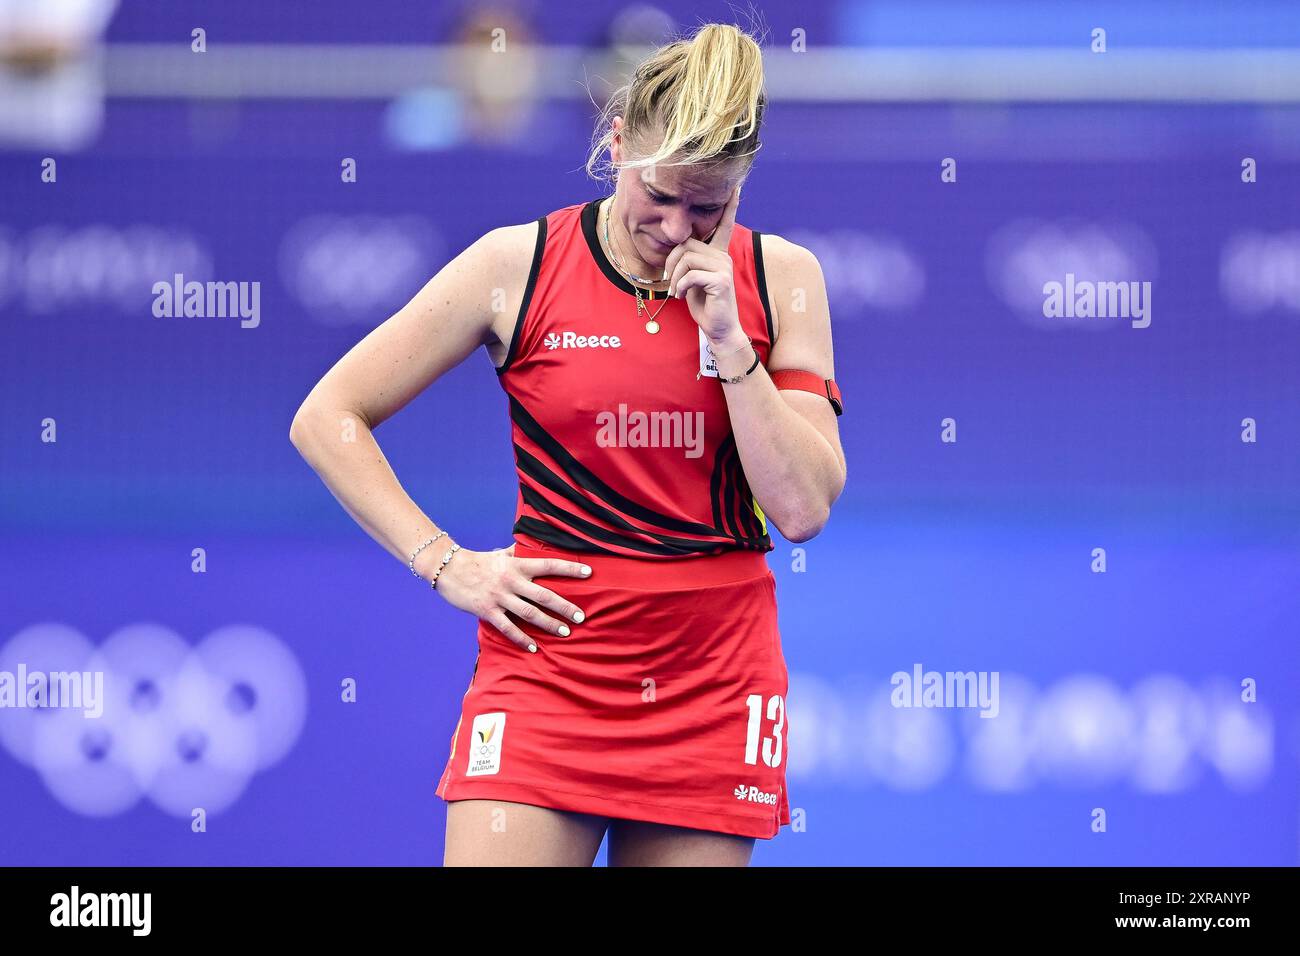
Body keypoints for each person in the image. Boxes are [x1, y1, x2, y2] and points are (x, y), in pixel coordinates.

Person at [290, 22, 846, 866]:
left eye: (709, 205)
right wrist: (446, 563)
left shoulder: (782, 278)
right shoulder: (517, 263)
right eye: (657, 194)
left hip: (712, 680)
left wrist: (733, 348)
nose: (675, 228)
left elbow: (802, 508)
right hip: (548, 669)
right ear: (617, 144)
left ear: (744, 183)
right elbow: (328, 416)